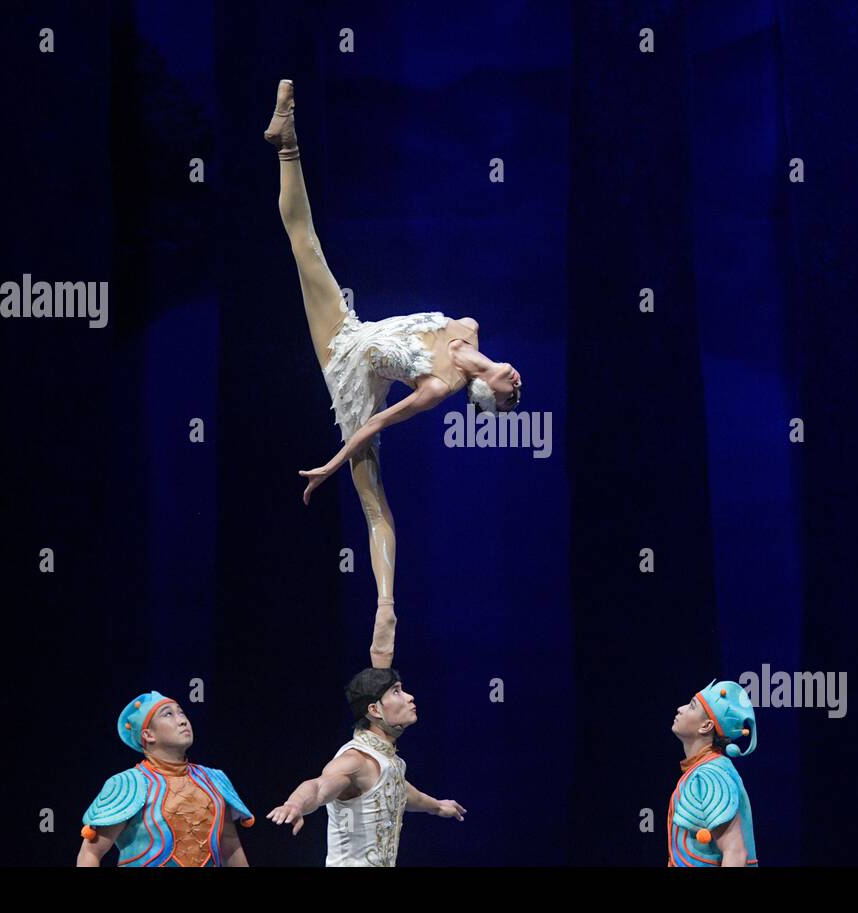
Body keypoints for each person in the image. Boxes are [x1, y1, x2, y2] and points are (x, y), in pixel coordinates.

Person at [265, 78, 523, 667]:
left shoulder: (439, 389)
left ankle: (385, 607)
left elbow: (376, 420)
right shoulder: (470, 327)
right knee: (305, 244)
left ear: (484, 393)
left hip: (347, 374)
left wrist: (332, 464)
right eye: (517, 388)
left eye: (511, 396)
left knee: (373, 501)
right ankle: (286, 138)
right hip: (353, 333)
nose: (518, 384)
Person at [266, 668, 465, 866]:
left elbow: (400, 790)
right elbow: (318, 787)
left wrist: (437, 806)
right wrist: (295, 804)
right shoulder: (356, 760)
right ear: (375, 710)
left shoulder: (388, 761)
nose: (410, 697)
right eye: (396, 691)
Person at [76, 691, 253, 867]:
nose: (183, 720)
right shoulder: (128, 784)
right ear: (148, 735)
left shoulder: (214, 780)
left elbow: (231, 848)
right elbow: (90, 853)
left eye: (181, 712)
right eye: (168, 714)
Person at [668, 679, 759, 867]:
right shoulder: (702, 770)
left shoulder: (711, 775)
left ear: (706, 726)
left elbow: (735, 853)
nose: (680, 708)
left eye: (691, 706)